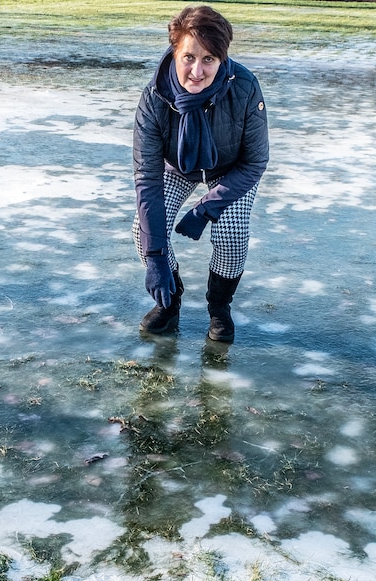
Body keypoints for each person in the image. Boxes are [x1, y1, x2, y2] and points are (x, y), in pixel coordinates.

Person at [133, 5, 269, 343]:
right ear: (174, 52)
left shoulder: (245, 88)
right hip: (178, 166)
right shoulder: (154, 98)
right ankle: (169, 301)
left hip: (231, 169)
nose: (197, 70)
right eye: (189, 57)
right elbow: (147, 179)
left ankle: (219, 307)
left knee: (231, 233)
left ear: (222, 58)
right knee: (142, 231)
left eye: (209, 59)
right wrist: (156, 258)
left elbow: (254, 162)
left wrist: (206, 208)